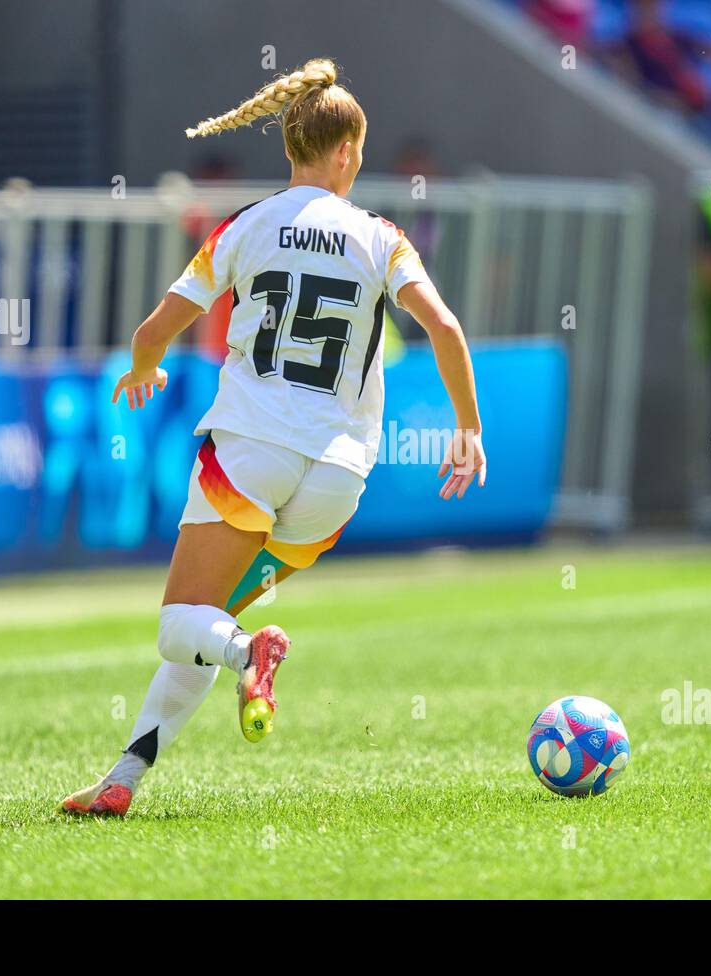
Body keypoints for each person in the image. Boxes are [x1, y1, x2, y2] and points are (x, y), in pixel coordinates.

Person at [61, 59, 487, 818]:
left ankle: (247, 654)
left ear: (291, 146)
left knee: (181, 627)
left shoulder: (245, 225)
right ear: (348, 153)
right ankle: (124, 775)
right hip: (336, 483)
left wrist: (141, 368)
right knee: (210, 614)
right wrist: (468, 426)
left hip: (249, 453)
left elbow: (157, 326)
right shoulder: (381, 236)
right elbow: (445, 327)